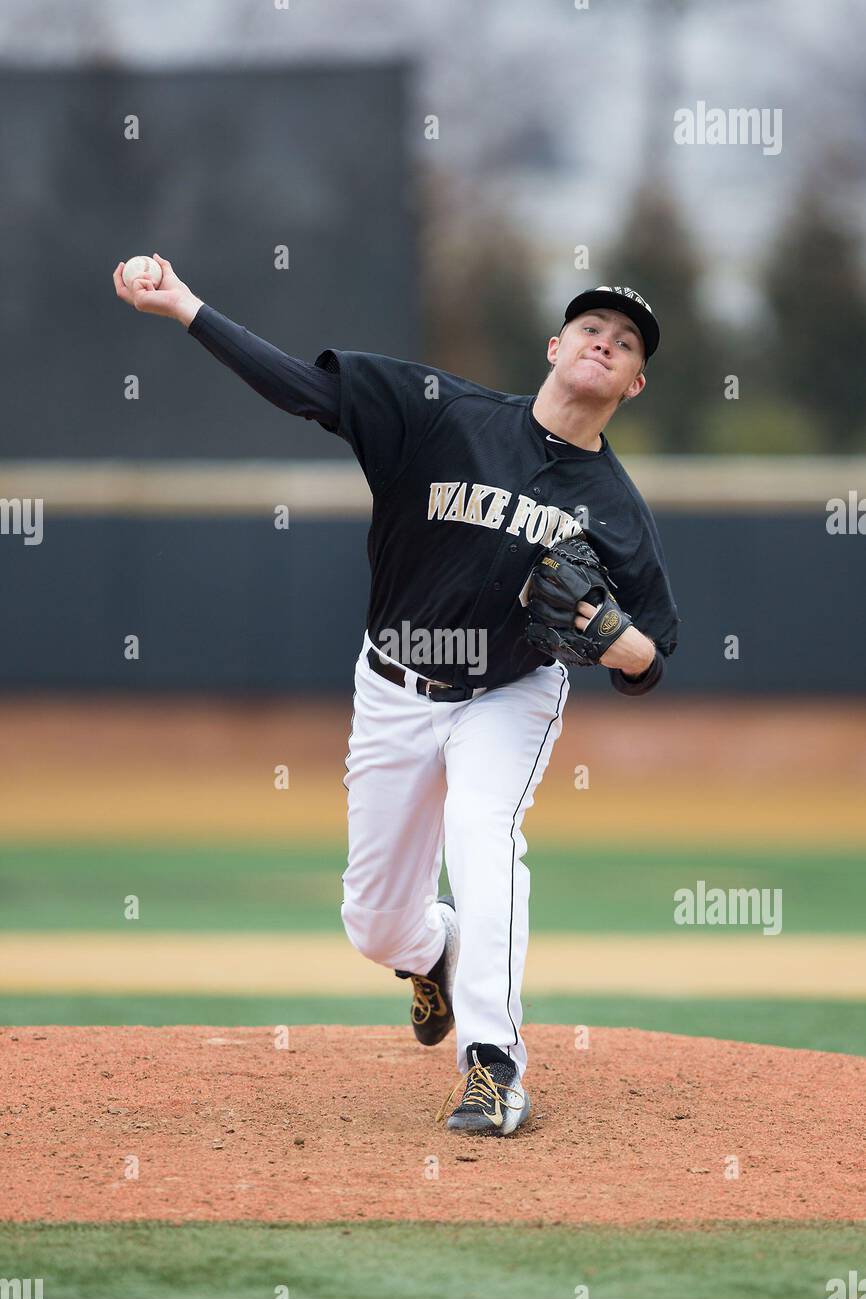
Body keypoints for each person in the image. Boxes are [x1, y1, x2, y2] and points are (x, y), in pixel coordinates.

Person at [113, 257, 679, 1137]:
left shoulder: (615, 508)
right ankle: (433, 951)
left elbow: (651, 659)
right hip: (392, 682)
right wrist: (187, 306)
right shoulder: (441, 412)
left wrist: (615, 639)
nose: (605, 342)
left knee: (483, 840)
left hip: (508, 693)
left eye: (626, 342)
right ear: (556, 344)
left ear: (634, 382)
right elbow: (303, 388)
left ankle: (494, 1068)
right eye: (593, 328)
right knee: (374, 925)